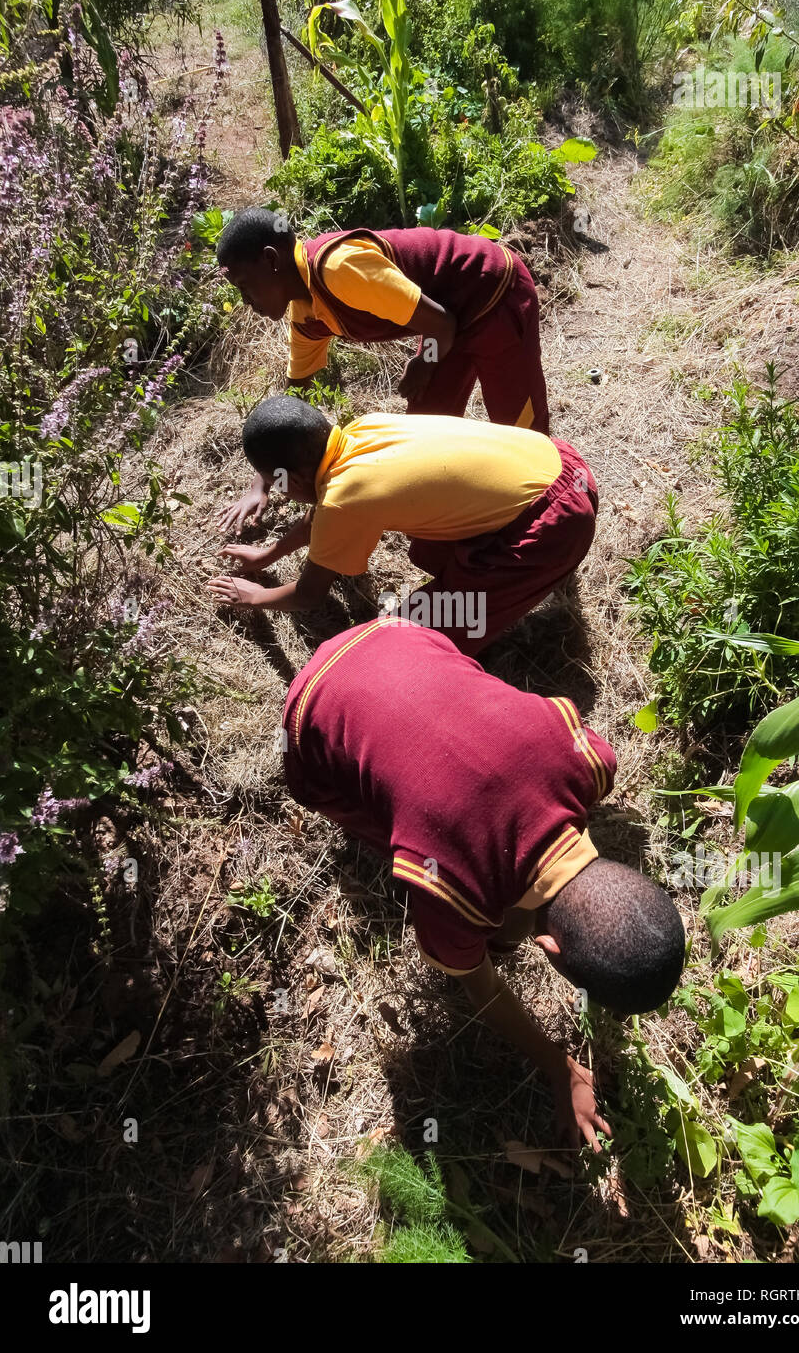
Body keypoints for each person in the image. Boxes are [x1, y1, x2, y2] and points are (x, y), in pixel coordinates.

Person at [280, 617, 685, 1149]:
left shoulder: (589, 764)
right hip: (308, 709)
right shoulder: (451, 890)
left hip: (396, 633)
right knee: (382, 819)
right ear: (549, 949)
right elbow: (481, 986)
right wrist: (558, 1067)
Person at [216, 209, 549, 529]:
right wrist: (261, 484)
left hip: (493, 292)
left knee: (520, 427)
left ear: (271, 260)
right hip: (447, 321)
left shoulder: (340, 269)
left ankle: (547, 516)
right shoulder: (307, 315)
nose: (246, 300)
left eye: (245, 286)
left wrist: (424, 363)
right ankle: (470, 509)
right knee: (426, 430)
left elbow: (443, 325)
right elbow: (291, 405)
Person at [208, 397, 597, 657]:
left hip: (555, 523)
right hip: (561, 462)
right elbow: (321, 515)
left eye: (275, 482)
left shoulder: (345, 497)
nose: (279, 492)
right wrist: (269, 553)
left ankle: (519, 585)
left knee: (408, 636)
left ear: (291, 476)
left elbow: (310, 594)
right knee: (424, 548)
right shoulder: (360, 432)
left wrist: (254, 596)